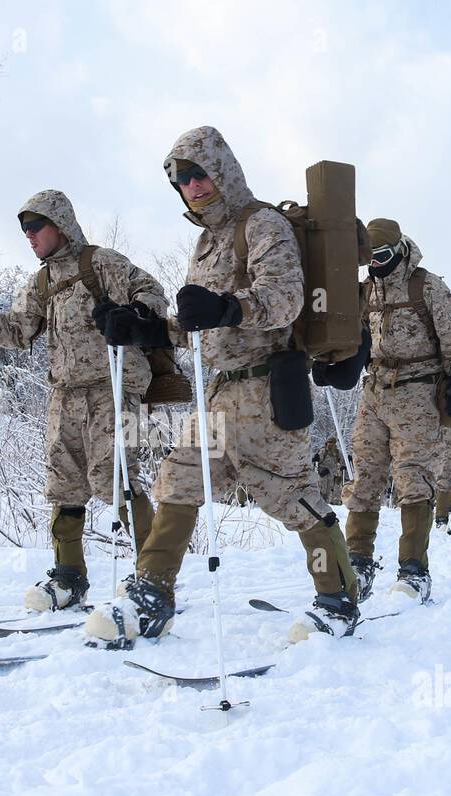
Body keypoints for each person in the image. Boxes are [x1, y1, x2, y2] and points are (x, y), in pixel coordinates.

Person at [84, 126, 359, 642]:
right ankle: (152, 592)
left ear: (223, 171)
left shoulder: (262, 225)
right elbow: (195, 323)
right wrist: (145, 327)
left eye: (198, 172)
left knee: (290, 496)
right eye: (181, 180)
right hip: (217, 393)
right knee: (179, 479)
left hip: (265, 390)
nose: (192, 185)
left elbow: (284, 301)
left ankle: (338, 597)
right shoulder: (205, 243)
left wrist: (230, 306)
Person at [0, 190, 168, 611]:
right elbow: (16, 332)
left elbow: (152, 292)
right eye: (24, 230)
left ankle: (153, 574)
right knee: (63, 481)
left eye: (35, 227)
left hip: (112, 385)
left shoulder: (102, 263)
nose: (29, 237)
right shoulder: (42, 282)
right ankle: (69, 577)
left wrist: (133, 316)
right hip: (64, 393)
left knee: (115, 475)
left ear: (59, 225)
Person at [340, 219, 451, 607]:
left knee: (412, 476)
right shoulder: (366, 291)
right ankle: (358, 560)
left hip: (418, 390)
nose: (375, 265)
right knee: (365, 473)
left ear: (399, 251)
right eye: (368, 258)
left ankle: (414, 569)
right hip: (376, 390)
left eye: (382, 257)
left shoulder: (427, 286)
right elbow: (350, 334)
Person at [314, 436, 345, 506]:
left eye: (332, 442)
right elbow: (318, 460)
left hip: (333, 474)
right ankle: (320, 504)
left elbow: (341, 461)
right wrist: (316, 459)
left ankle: (330, 504)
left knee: (331, 490)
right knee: (322, 490)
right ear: (326, 443)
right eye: (329, 442)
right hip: (323, 474)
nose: (330, 444)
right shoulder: (323, 451)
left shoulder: (337, 452)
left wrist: (344, 464)